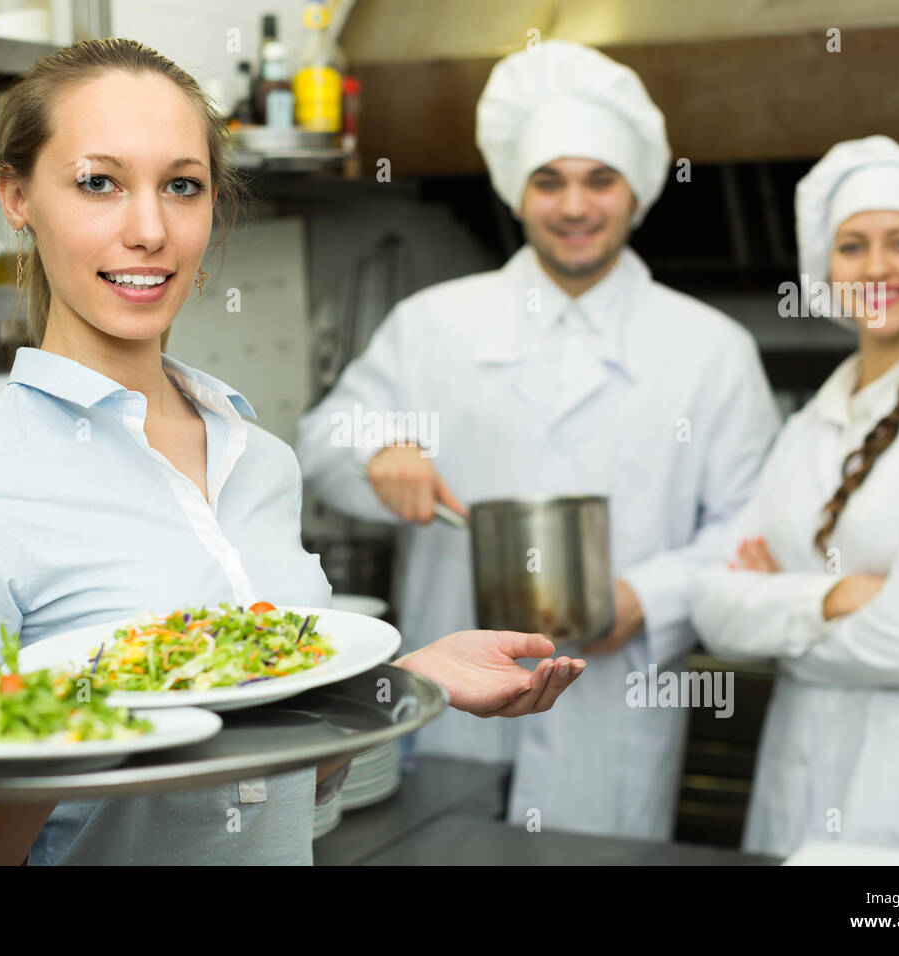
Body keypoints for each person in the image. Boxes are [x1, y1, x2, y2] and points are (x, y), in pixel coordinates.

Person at [0, 37, 585, 867]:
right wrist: (51, 745)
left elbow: (280, 775)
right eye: (98, 183)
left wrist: (408, 677)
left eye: (182, 185)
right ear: (16, 196)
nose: (149, 230)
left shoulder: (261, 463)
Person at [295, 40, 778, 839]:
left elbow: (752, 528)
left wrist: (648, 597)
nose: (575, 205)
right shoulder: (433, 325)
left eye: (600, 180)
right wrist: (376, 456)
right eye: (549, 181)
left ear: (637, 192)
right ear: (517, 194)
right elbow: (322, 441)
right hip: (451, 710)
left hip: (616, 710)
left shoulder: (710, 349)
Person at [689, 135, 899, 859]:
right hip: (793, 769)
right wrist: (839, 598)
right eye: (852, 247)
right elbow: (713, 605)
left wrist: (780, 603)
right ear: (826, 269)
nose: (876, 267)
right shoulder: (811, 420)